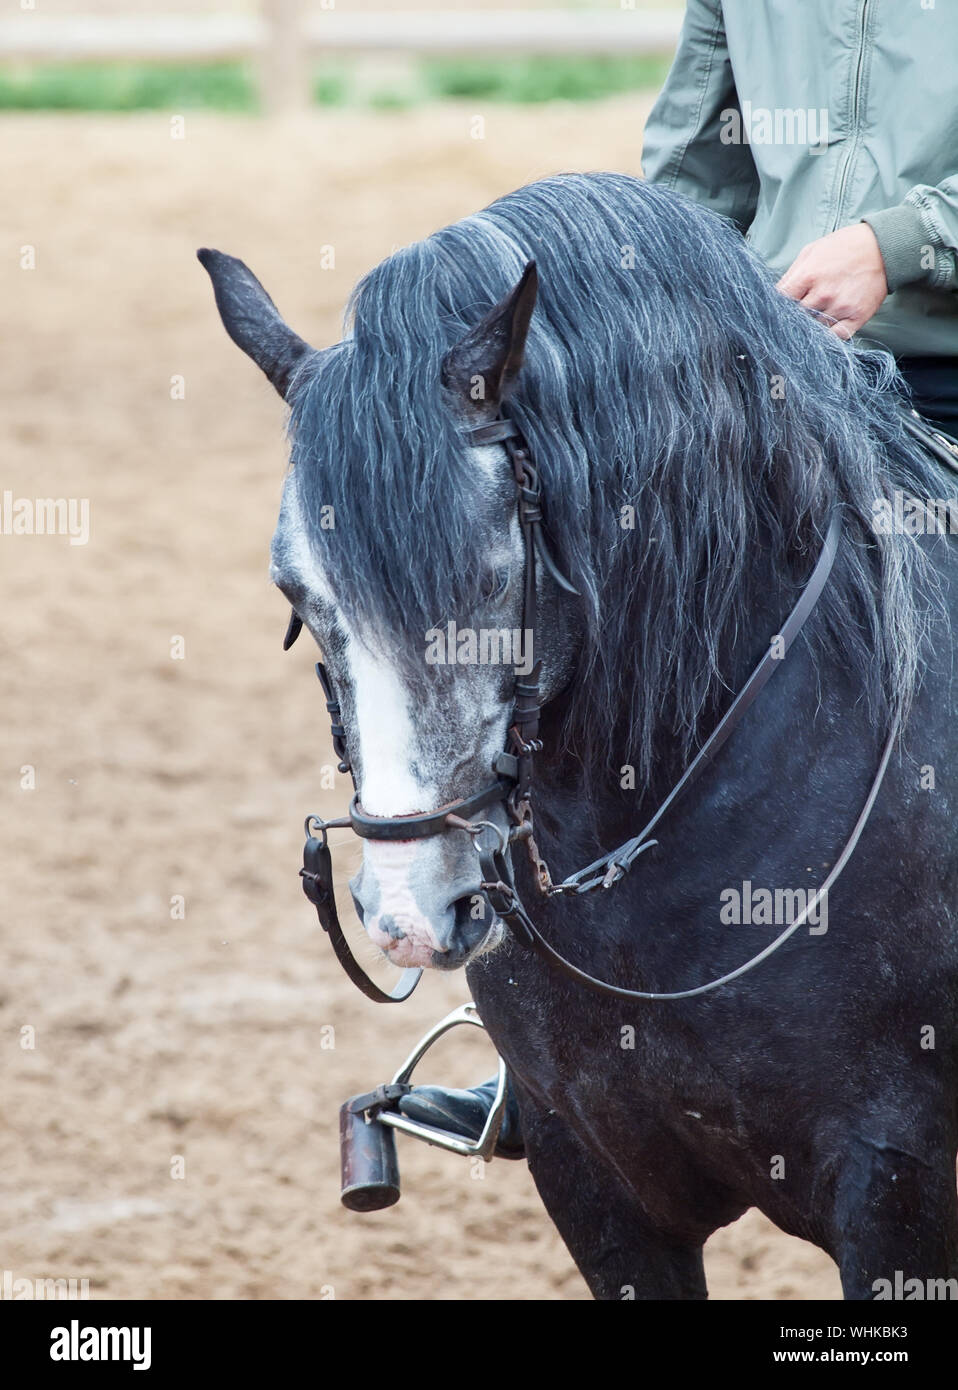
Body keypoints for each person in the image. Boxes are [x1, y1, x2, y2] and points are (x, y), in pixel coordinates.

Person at [399, 0, 958, 1149]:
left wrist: (894, 245)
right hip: (783, 374)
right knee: (581, 619)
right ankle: (542, 1050)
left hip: (941, 376)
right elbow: (692, 180)